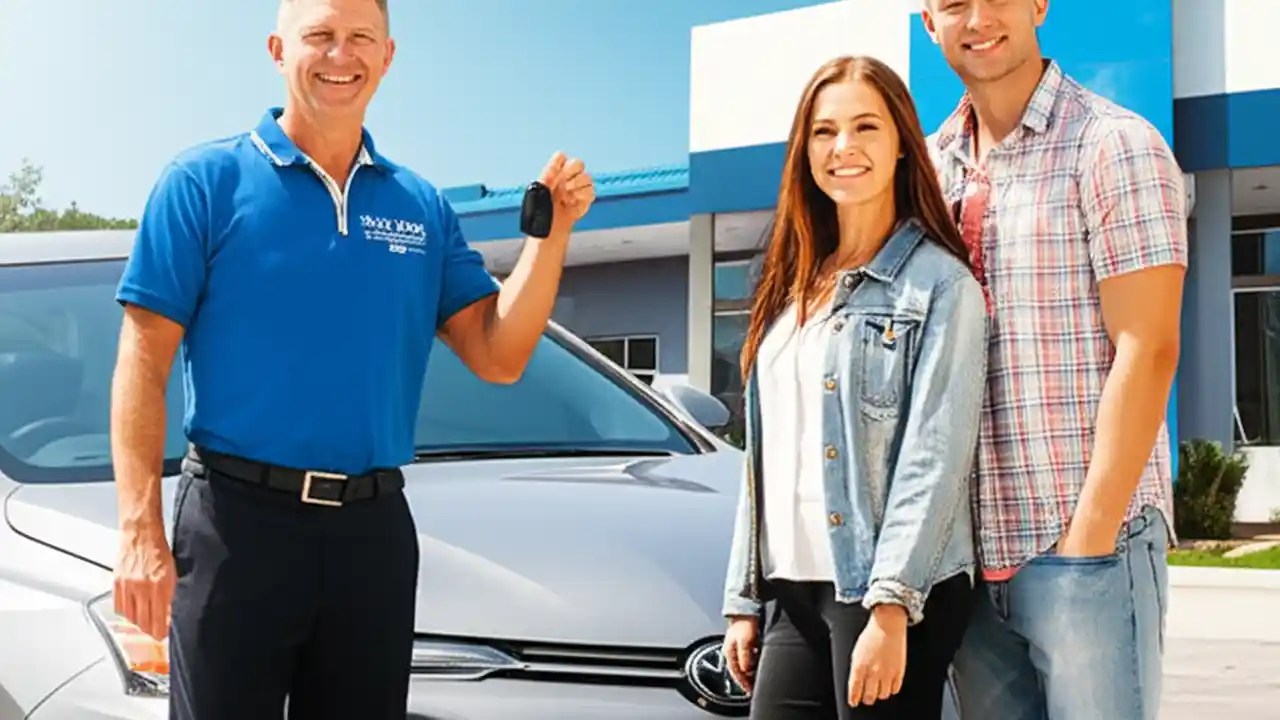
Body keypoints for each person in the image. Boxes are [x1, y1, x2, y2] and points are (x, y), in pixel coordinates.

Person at [108, 0, 595, 718]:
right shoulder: (203, 183)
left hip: (371, 536)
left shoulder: (420, 206)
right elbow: (142, 363)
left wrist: (550, 239)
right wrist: (139, 534)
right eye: (321, 37)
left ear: (388, 56)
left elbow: (498, 354)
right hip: (235, 529)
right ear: (279, 50)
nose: (342, 55)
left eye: (361, 37)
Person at [919, 2, 1187, 718]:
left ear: (1038, 2)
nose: (978, 17)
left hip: (1082, 548)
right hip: (968, 566)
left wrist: (1088, 539)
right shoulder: (925, 168)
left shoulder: (1113, 144)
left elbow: (1149, 345)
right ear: (928, 23)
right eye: (952, 4)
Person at [719, 55, 989, 720]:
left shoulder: (940, 286)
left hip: (888, 592)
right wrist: (744, 599)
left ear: (902, 144)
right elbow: (767, 459)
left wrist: (892, 605)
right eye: (823, 131)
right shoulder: (789, 290)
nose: (844, 148)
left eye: (866, 126)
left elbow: (936, 455)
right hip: (795, 590)